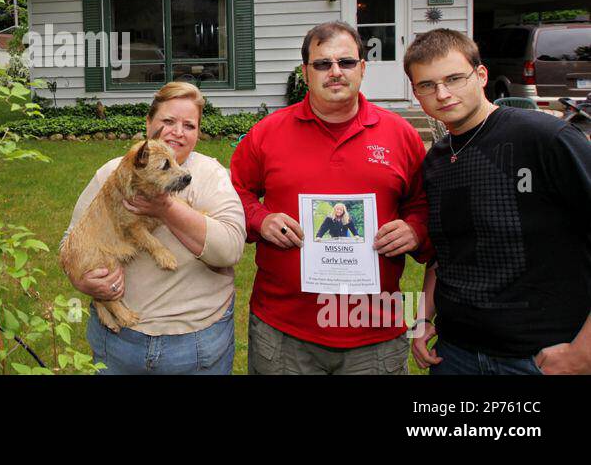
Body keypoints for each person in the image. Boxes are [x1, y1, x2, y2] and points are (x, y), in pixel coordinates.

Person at [229, 21, 433, 375]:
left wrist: (415, 229)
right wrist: (261, 219)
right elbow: (233, 194)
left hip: (374, 331)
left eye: (346, 62)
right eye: (322, 64)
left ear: (363, 68)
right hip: (284, 330)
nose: (335, 72)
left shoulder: (400, 135)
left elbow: (425, 204)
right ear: (306, 73)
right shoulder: (268, 132)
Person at [405, 28, 591, 375]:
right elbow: (445, 256)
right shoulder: (435, 163)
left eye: (454, 78)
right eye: (427, 85)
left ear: (481, 75)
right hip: (455, 354)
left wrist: (583, 352)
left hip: (538, 357)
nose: (442, 94)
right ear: (416, 93)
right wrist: (421, 321)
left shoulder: (544, 138)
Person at [63, 81, 247, 374]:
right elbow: (72, 241)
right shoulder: (110, 175)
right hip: (119, 342)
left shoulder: (211, 175)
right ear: (149, 123)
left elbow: (230, 249)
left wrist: (167, 208)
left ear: (198, 133)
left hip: (195, 344)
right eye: (168, 121)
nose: (178, 131)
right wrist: (83, 282)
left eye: (190, 125)